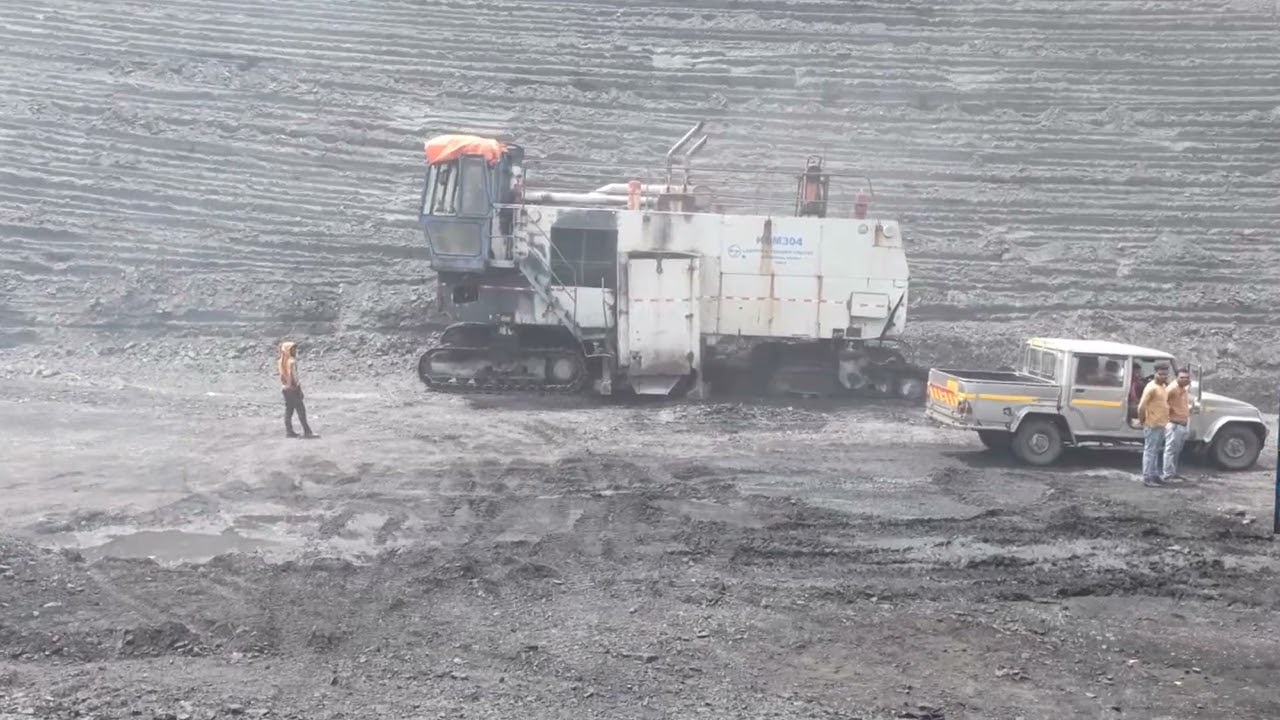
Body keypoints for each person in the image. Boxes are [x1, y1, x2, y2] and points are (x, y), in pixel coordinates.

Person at [1136, 364, 1170, 486]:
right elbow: (1141, 407)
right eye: (1160, 374)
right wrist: (1142, 421)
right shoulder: (1151, 387)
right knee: (1150, 451)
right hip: (1152, 424)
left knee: (1156, 451)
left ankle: (1154, 475)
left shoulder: (1163, 386)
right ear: (1155, 373)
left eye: (1165, 374)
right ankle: (1147, 478)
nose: (1163, 376)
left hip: (1161, 424)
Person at [278, 341, 316, 439]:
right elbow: (293, 376)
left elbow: (282, 376)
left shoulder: (281, 361)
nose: (295, 351)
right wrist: (296, 387)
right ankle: (307, 431)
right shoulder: (292, 361)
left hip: (285, 388)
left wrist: (286, 385)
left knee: (289, 410)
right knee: (301, 410)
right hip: (293, 388)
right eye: (292, 349)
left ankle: (289, 432)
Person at [1162, 367, 1192, 482]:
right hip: (1174, 424)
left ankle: (1173, 472)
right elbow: (1162, 404)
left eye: (1187, 378)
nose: (1185, 380)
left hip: (1182, 423)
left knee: (1177, 450)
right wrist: (1171, 417)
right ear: (1176, 378)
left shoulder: (1183, 389)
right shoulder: (1172, 389)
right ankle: (1167, 474)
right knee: (1170, 450)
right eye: (1182, 378)